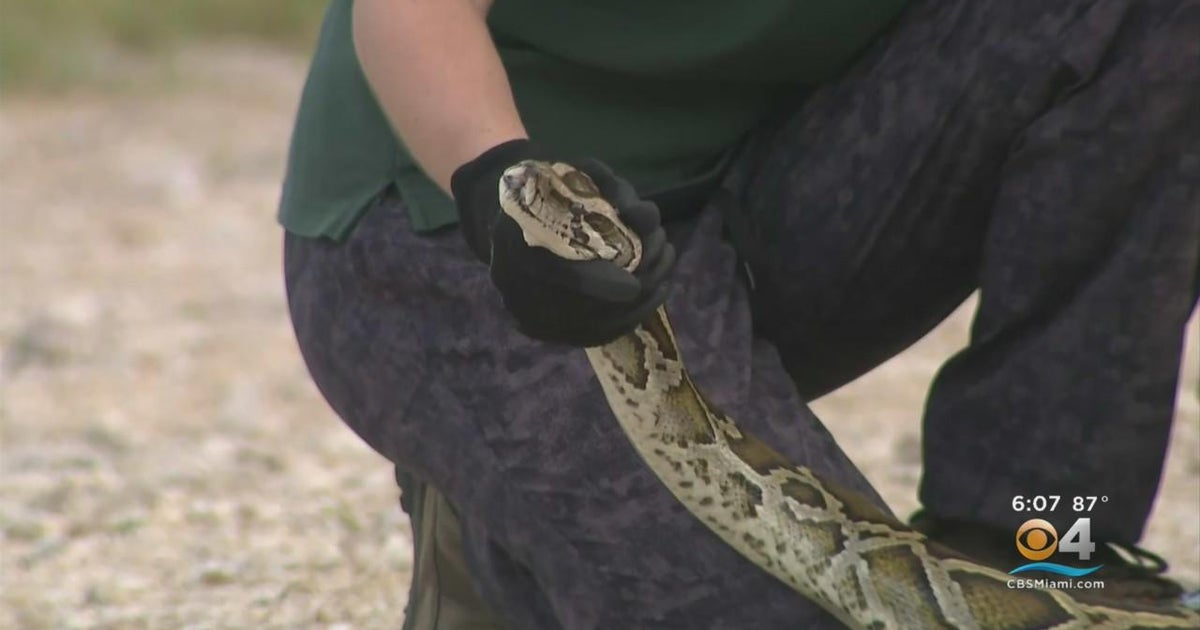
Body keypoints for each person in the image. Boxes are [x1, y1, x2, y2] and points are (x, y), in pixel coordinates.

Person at [279, 0, 1199, 627]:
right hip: (473, 217)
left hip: (746, 194)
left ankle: (1040, 550)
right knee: (788, 614)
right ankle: (499, 515)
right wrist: (492, 181)